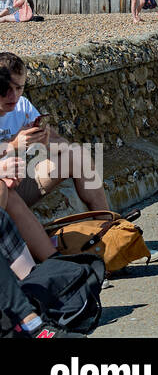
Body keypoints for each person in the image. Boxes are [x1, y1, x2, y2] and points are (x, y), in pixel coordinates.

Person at [0, 53, 108, 263]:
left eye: (19, 88)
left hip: (20, 180)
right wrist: (13, 145)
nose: (13, 96)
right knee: (4, 188)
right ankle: (52, 264)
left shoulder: (22, 106)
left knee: (78, 156)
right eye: (6, 89)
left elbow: (61, 144)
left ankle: (108, 235)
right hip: (4, 187)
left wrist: (47, 141)